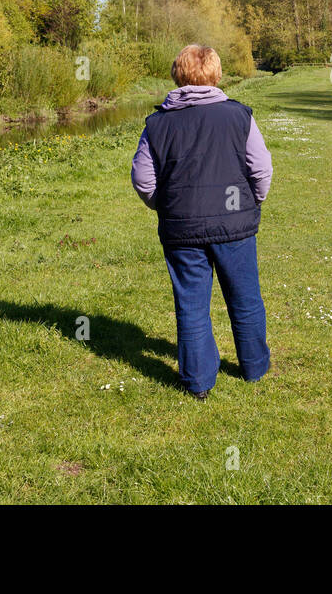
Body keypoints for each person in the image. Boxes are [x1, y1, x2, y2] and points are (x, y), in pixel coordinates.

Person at [130, 44, 273, 399]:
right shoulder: (239, 115)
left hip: (182, 229)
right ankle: (254, 368)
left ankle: (198, 384)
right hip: (234, 225)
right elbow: (261, 169)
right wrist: (251, 202)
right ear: (217, 75)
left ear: (177, 75)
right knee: (245, 297)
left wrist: (167, 206)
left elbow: (143, 180)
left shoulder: (158, 124)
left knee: (192, 305)